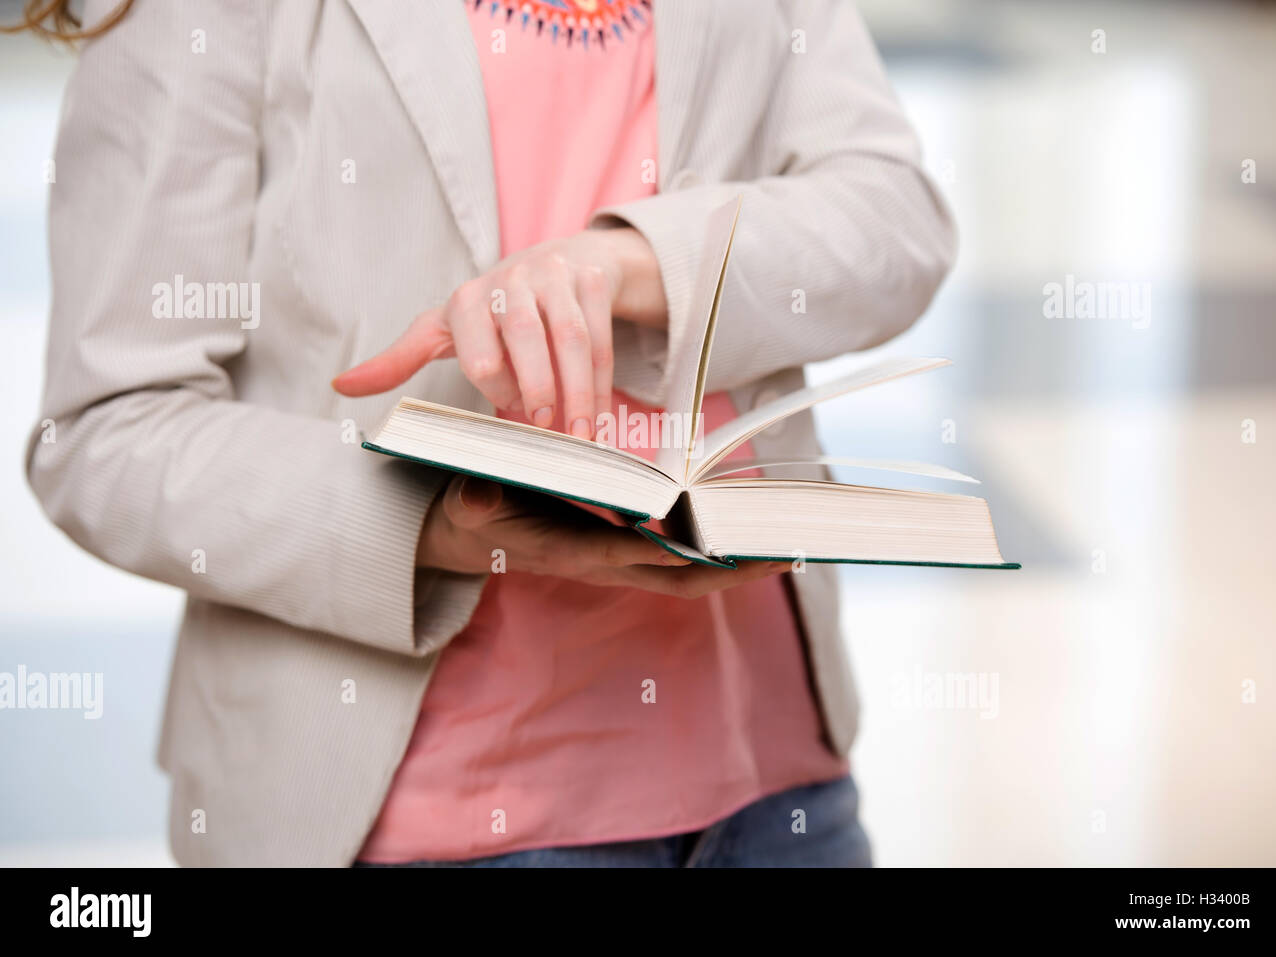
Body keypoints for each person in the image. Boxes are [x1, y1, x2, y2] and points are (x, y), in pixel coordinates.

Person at [17, 0, 955, 866]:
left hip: (780, 784)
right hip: (420, 819)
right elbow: (108, 431)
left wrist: (632, 263)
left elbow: (896, 217)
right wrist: (429, 524)